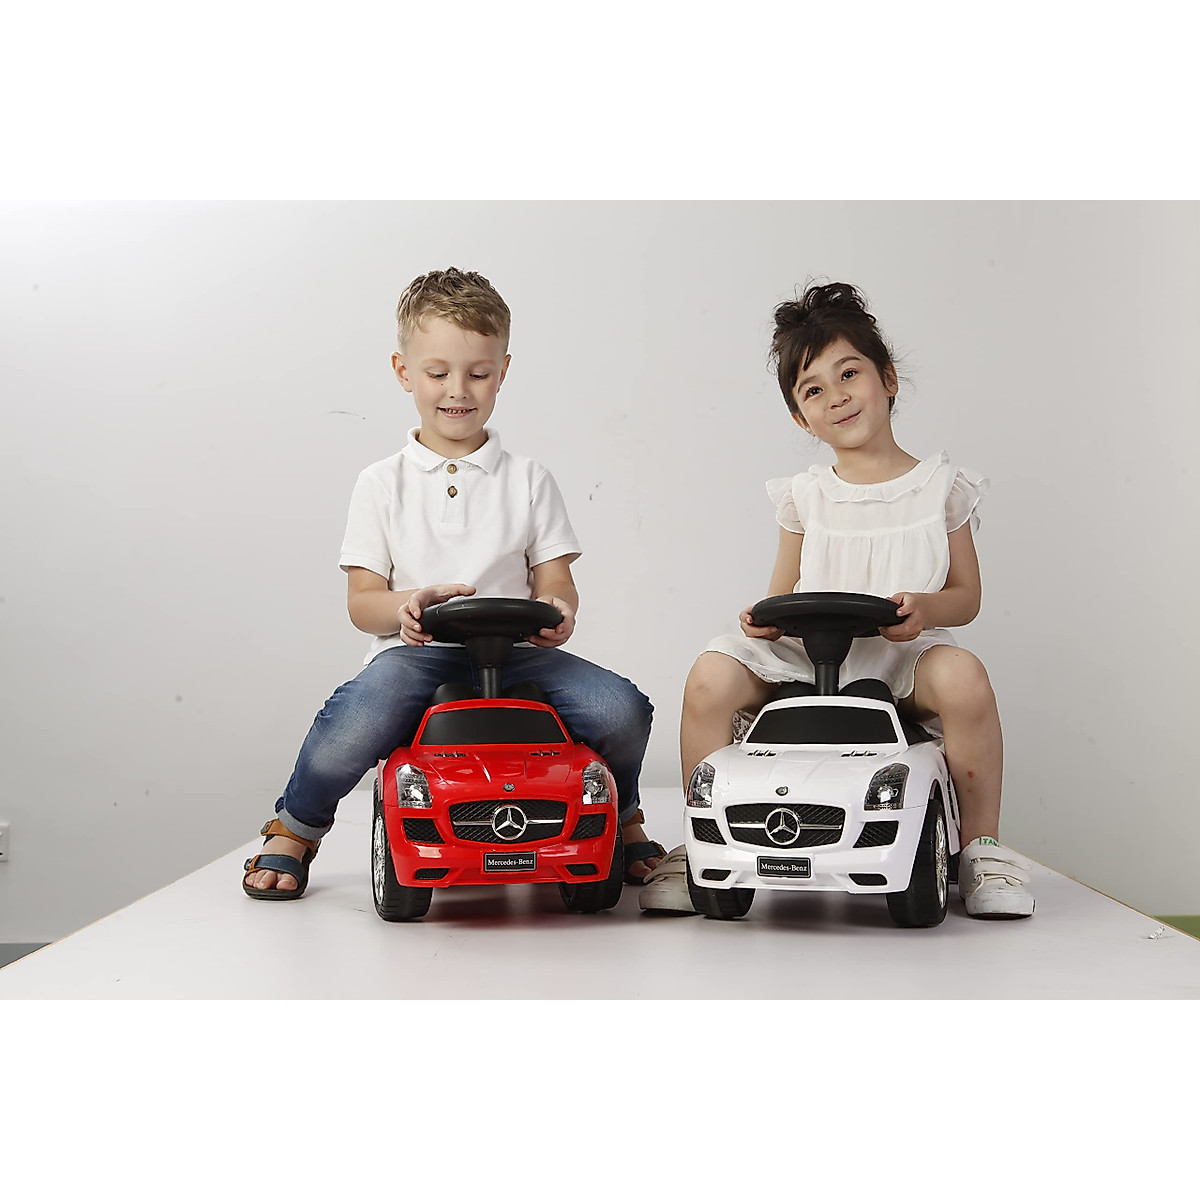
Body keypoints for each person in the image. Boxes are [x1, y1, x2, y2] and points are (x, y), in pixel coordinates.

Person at [243, 267, 664, 899]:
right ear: (403, 371)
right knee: (355, 718)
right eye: (438, 373)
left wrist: (558, 609)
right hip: (418, 654)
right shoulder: (381, 483)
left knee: (619, 709)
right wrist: (405, 607)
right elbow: (362, 602)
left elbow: (556, 580)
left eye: (478, 373)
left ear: (503, 371)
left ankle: (624, 821)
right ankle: (296, 827)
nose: (458, 391)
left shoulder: (528, 479)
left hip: (518, 654)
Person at [640, 281, 1034, 918]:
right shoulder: (804, 495)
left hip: (903, 654)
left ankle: (979, 847)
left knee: (965, 677)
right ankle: (700, 842)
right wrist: (763, 620)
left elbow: (966, 596)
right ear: (801, 418)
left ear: (888, 378)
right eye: (813, 390)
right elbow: (782, 591)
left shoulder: (941, 487)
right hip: (812, 655)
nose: (837, 397)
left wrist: (926, 609)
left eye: (849, 374)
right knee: (712, 671)